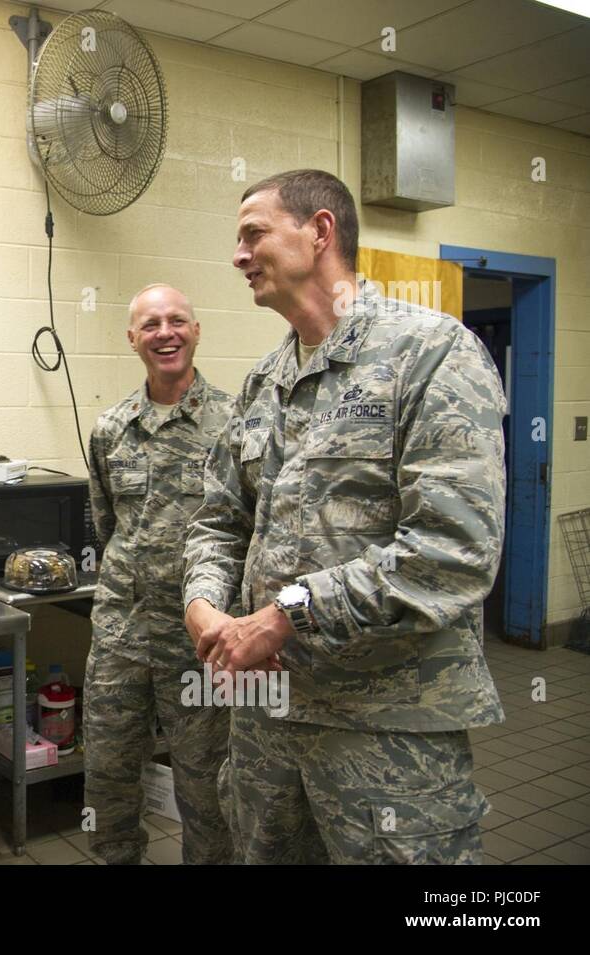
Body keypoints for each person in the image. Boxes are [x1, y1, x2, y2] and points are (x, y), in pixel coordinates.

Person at [183, 169, 506, 864]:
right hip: (267, 721)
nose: (238, 255)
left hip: (386, 729)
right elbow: (218, 518)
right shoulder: (263, 381)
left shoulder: (430, 354)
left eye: (253, 234)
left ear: (320, 231)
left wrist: (283, 615)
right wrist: (204, 604)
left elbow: (451, 549)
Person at [84, 284, 236, 864]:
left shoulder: (235, 421)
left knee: (207, 783)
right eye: (151, 325)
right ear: (132, 339)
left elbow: (246, 528)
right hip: (122, 634)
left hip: (204, 641)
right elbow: (108, 526)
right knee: (109, 772)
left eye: (177, 321)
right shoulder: (111, 429)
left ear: (196, 331)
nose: (165, 333)